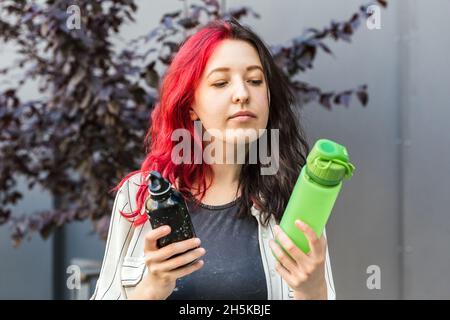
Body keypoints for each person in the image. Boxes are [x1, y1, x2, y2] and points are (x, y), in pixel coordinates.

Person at [91, 18, 336, 300]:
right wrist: (151, 289)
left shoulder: (296, 197)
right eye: (220, 82)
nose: (243, 94)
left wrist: (313, 290)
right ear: (191, 104)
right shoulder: (139, 195)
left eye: (255, 81)